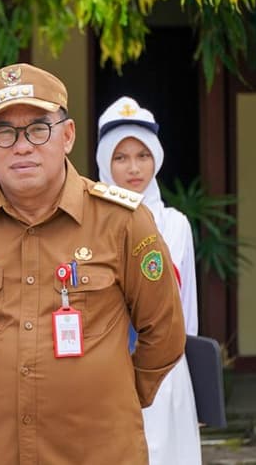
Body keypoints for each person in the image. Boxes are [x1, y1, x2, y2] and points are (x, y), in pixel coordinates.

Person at [0, 63, 187, 464]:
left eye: (38, 128)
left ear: (67, 135)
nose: (22, 146)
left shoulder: (123, 221)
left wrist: (113, 394)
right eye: (4, 131)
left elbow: (164, 331)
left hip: (99, 452)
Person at [96, 96, 201, 464]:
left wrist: (194, 381)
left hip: (167, 374)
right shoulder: (89, 223)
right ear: (104, 162)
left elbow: (186, 313)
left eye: (142, 155)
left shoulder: (175, 224)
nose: (133, 168)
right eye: (120, 157)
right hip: (105, 371)